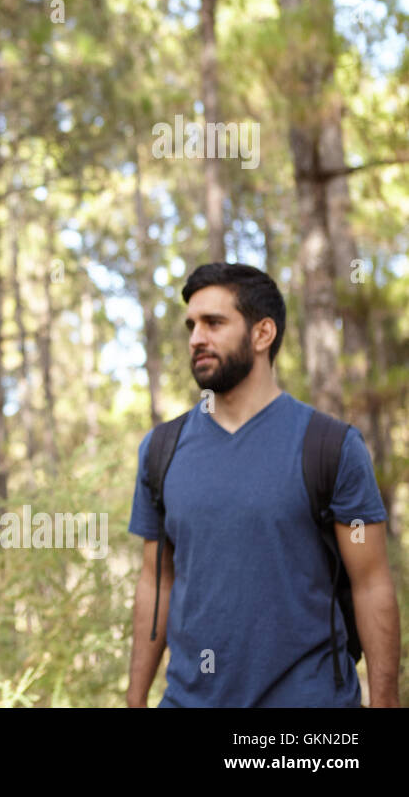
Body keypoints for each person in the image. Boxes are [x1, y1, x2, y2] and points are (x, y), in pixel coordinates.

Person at [126, 262, 400, 707]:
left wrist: (386, 702)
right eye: (191, 325)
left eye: (214, 323)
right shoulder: (161, 450)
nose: (196, 337)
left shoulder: (329, 447)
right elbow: (156, 583)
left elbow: (371, 585)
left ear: (262, 334)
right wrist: (135, 700)